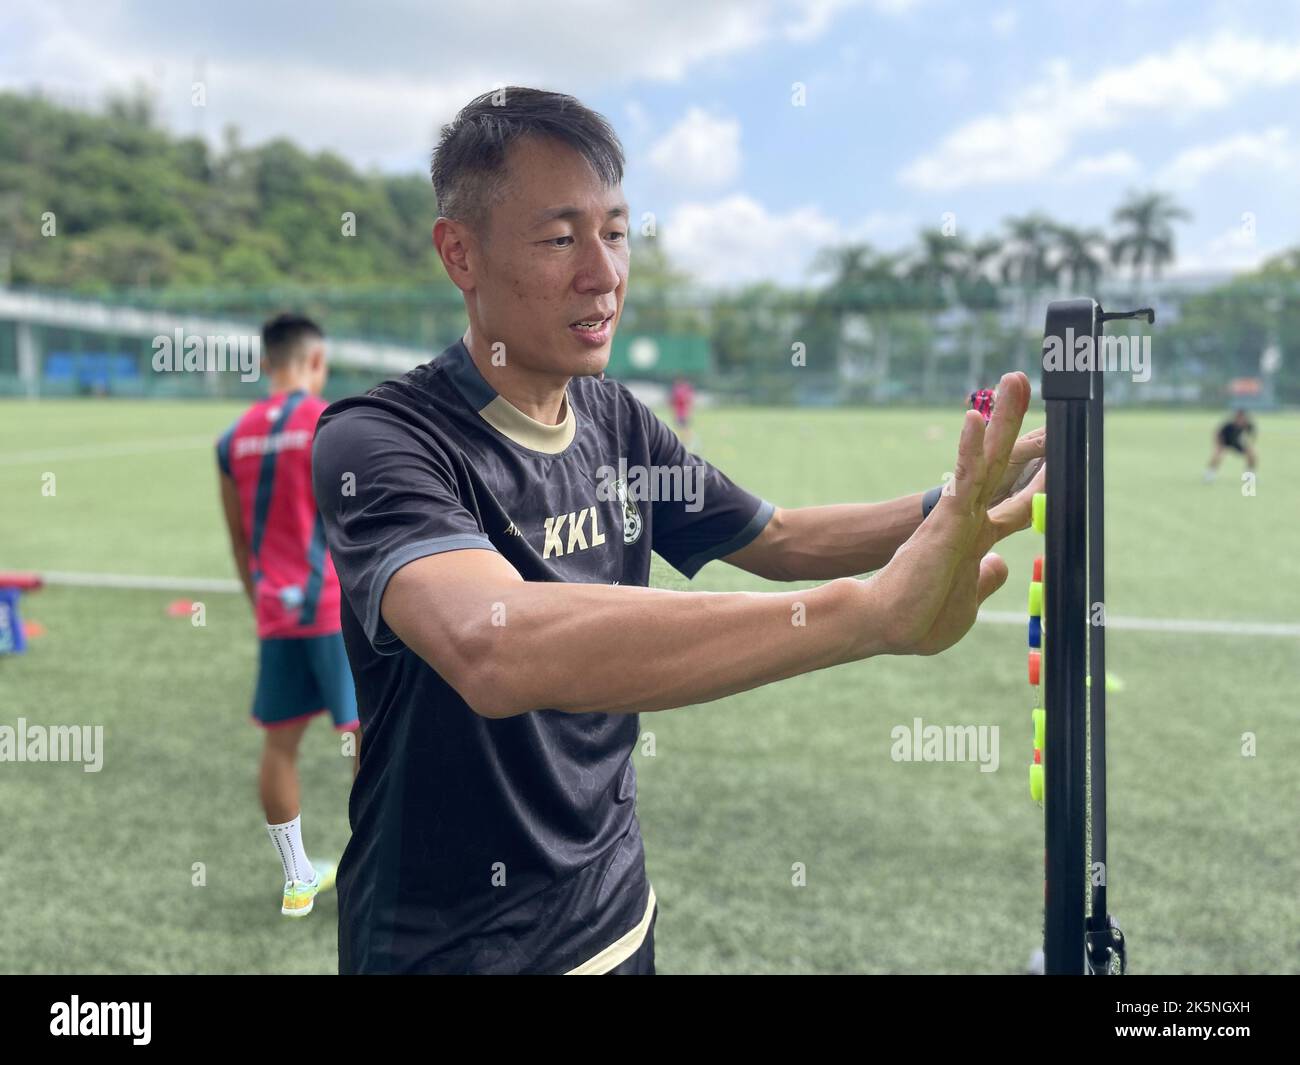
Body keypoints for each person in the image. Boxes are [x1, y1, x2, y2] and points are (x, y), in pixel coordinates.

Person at [311, 87, 1046, 974]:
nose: (604, 273)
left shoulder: (615, 417)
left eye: (616, 232)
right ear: (459, 252)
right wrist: (869, 614)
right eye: (559, 238)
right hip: (447, 950)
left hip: (617, 920)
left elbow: (779, 538)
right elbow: (492, 645)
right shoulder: (381, 438)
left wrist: (959, 498)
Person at [217, 313, 360, 918]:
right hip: (332, 607)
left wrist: (262, 605)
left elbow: (238, 544)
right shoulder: (330, 422)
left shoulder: (233, 438)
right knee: (361, 738)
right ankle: (377, 873)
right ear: (316, 360)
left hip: (276, 612)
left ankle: (298, 881)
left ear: (265, 362)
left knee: (280, 747)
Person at [1204, 408, 1257, 482]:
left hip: (1236, 443)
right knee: (1217, 456)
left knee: (1252, 454)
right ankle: (1209, 474)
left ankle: (1249, 475)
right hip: (1224, 442)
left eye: (1242, 418)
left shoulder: (1248, 425)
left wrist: (1249, 446)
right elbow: (1217, 434)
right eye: (1238, 418)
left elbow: (1251, 437)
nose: (1240, 420)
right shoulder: (1228, 426)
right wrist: (1219, 446)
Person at [670, 376, 695, 446]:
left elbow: (686, 400)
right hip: (679, 413)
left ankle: (689, 442)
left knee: (685, 429)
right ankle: (684, 442)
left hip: (683, 413)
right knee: (681, 429)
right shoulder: (678, 389)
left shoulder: (683, 390)